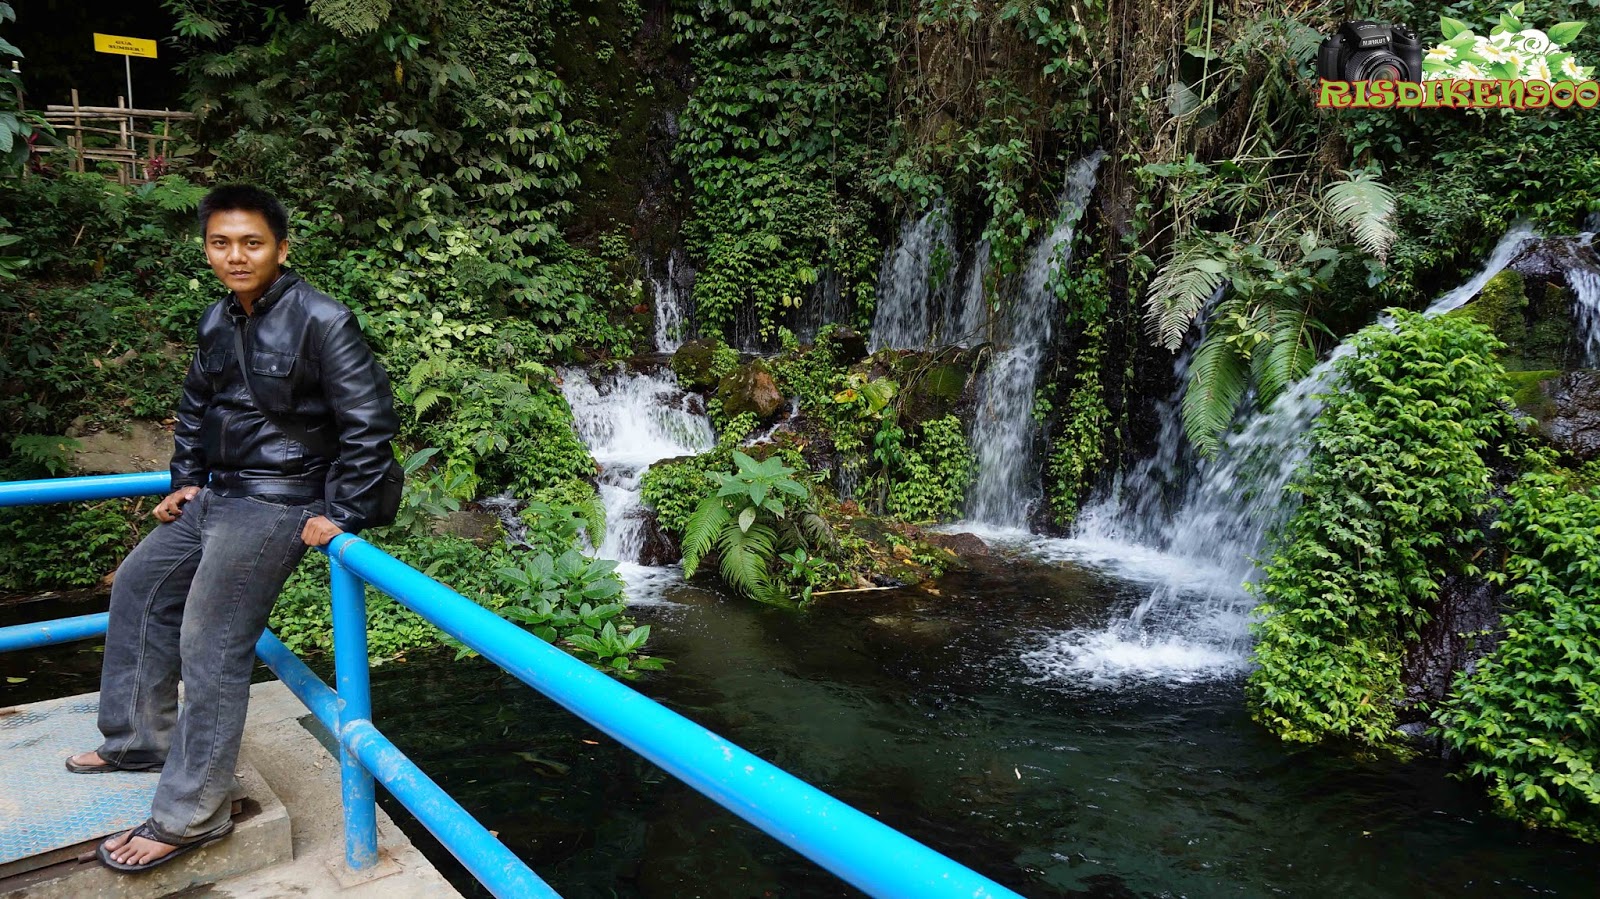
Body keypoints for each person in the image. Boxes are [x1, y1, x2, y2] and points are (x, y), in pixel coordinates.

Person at [66, 184, 401, 872]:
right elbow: (195, 406)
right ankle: (137, 739)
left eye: (251, 242)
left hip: (279, 501)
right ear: (207, 249)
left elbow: (370, 425)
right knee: (138, 586)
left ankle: (192, 814)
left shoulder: (322, 320)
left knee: (210, 638)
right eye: (221, 242)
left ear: (282, 247)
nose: (236, 255)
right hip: (216, 496)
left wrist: (339, 513)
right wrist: (181, 479)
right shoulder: (217, 320)